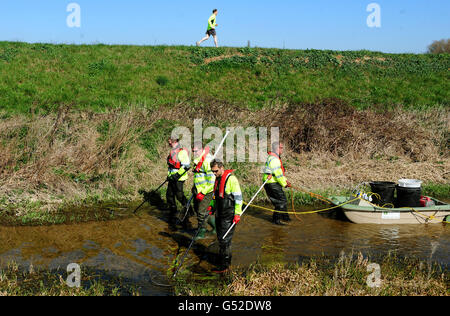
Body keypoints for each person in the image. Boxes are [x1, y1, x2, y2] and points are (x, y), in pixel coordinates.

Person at [207, 160, 243, 273]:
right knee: (220, 239)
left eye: (216, 171)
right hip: (219, 214)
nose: (214, 173)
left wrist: (237, 214)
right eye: (212, 171)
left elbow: (238, 198)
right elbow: (215, 196)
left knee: (225, 240)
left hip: (229, 215)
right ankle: (222, 259)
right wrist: (211, 207)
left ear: (222, 168)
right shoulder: (217, 180)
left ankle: (225, 267)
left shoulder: (231, 180)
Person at [191, 142, 216, 240]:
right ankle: (215, 227)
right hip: (198, 189)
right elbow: (199, 175)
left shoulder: (207, 161)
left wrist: (203, 192)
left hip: (206, 191)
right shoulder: (198, 158)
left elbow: (212, 180)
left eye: (196, 151)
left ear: (201, 149)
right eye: (193, 151)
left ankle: (201, 232)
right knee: (198, 210)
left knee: (201, 212)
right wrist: (194, 188)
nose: (194, 153)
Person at [166, 137, 192, 229]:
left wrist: (177, 175)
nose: (168, 142)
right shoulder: (172, 151)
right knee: (169, 195)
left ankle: (188, 210)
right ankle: (173, 212)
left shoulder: (182, 152)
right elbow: (171, 166)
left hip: (179, 178)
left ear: (174, 140)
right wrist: (169, 176)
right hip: (172, 178)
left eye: (169, 140)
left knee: (179, 196)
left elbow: (187, 166)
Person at [262, 142, 292, 225]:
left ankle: (285, 218)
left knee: (280, 201)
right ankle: (276, 220)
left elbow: (278, 173)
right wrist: (285, 184)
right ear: (276, 149)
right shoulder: (275, 159)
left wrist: (285, 181)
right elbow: (278, 174)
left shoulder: (272, 157)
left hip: (270, 182)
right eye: (281, 147)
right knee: (282, 201)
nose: (282, 149)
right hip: (272, 183)